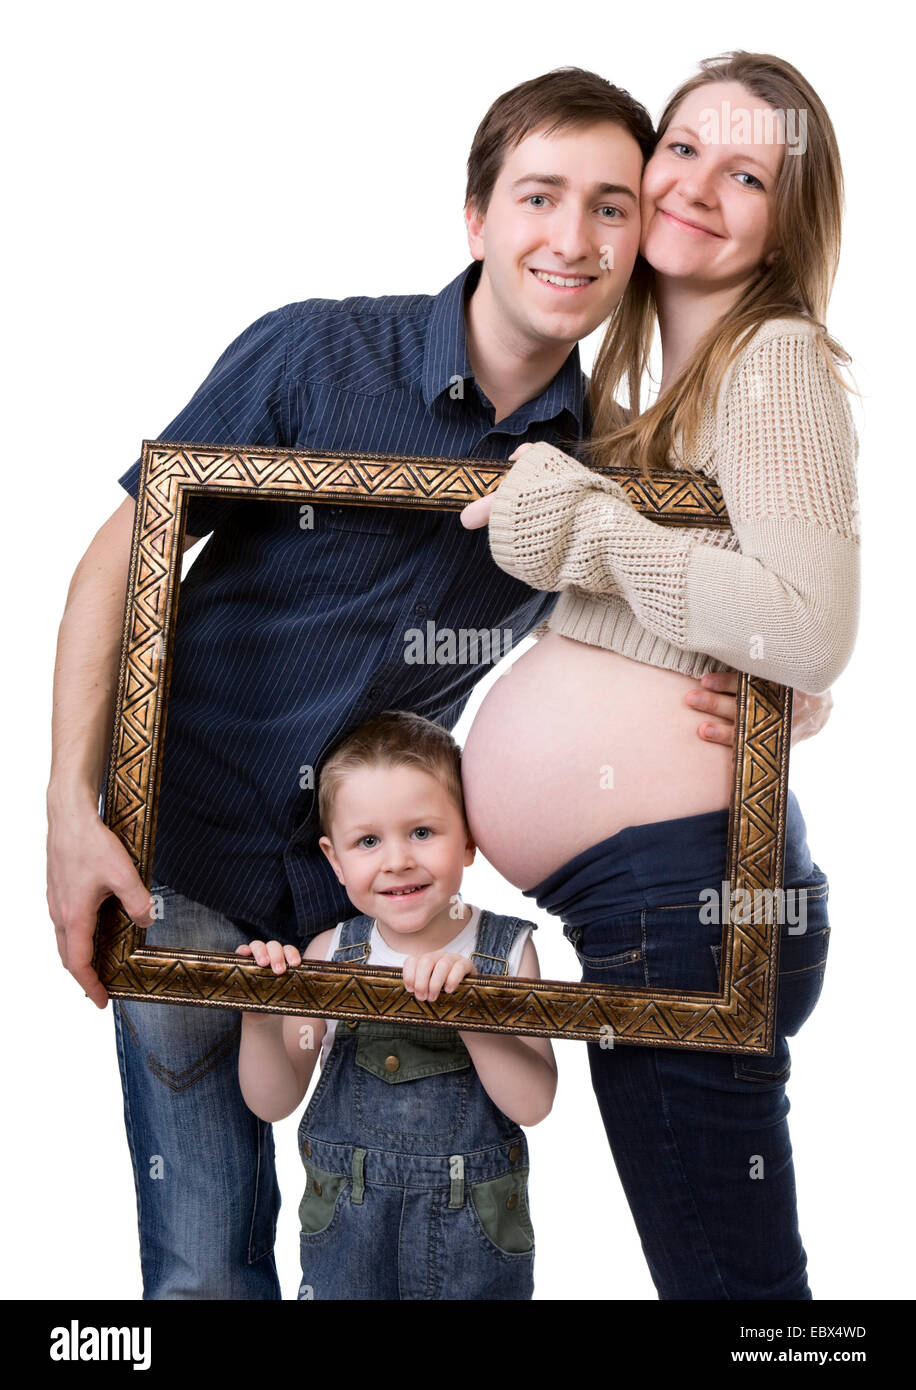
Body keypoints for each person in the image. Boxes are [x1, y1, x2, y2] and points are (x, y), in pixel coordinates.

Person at [46, 65, 828, 1300]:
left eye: (612, 206)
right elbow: (124, 552)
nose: (571, 237)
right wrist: (66, 812)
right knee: (202, 1267)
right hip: (178, 860)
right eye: (539, 196)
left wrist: (789, 693)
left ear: (638, 239)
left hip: (376, 903)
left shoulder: (604, 461)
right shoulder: (315, 352)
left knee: (395, 1234)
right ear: (476, 216)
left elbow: (738, 602)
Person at [459, 51, 860, 1300]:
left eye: (746, 174)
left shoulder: (773, 359)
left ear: (786, 222)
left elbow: (808, 625)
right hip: (664, 901)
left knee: (736, 1303)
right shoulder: (656, 391)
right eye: (681, 148)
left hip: (690, 906)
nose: (695, 183)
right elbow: (760, 604)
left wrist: (587, 525)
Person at [234, 710, 554, 1300]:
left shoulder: (508, 950)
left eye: (423, 832)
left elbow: (533, 1105)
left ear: (469, 839)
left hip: (473, 1247)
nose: (398, 859)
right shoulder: (329, 953)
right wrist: (260, 1018)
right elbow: (273, 1102)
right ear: (335, 860)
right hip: (349, 1246)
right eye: (368, 841)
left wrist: (473, 1014)